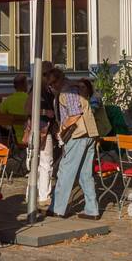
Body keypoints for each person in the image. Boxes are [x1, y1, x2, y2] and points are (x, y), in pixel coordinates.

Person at [48, 69, 100, 221]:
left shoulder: (67, 91)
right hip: (89, 133)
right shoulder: (74, 88)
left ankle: (58, 208)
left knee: (65, 171)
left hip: (78, 135)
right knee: (85, 174)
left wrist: (62, 129)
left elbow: (75, 114)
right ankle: (92, 210)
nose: (51, 87)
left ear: (58, 80)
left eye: (52, 83)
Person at [24, 62, 57, 208]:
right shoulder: (38, 89)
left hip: (44, 128)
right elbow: (29, 108)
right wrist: (46, 112)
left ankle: (34, 194)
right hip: (40, 129)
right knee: (43, 163)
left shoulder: (45, 89)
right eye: (50, 73)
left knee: (39, 163)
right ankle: (42, 195)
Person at [0, 73, 29, 144]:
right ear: (24, 85)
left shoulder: (9, 100)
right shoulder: (30, 99)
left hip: (13, 138)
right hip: (29, 137)